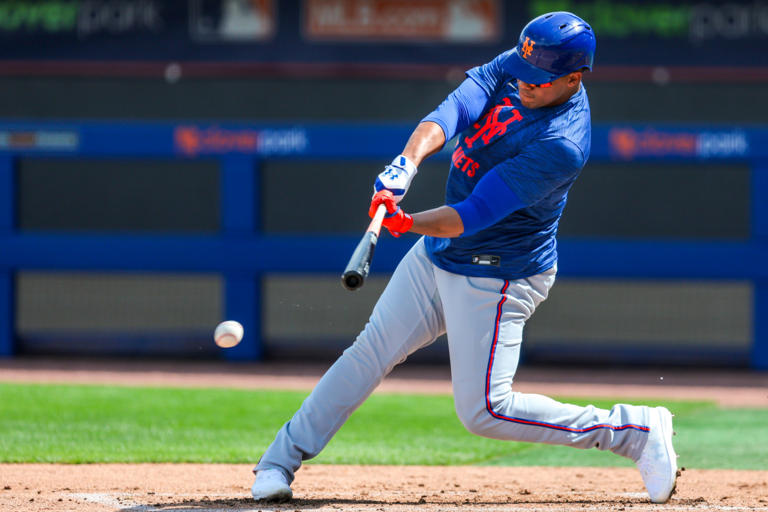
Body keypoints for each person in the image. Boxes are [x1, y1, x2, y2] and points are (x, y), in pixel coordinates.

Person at [251, 11, 678, 504]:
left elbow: (473, 213)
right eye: (523, 71)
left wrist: (405, 222)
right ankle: (277, 463)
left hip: (498, 274)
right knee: (370, 351)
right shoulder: (521, 63)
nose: (524, 84)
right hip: (440, 255)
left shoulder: (562, 143)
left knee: (485, 411)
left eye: (539, 81)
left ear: (574, 78)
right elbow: (452, 111)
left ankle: (634, 431)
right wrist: (405, 165)